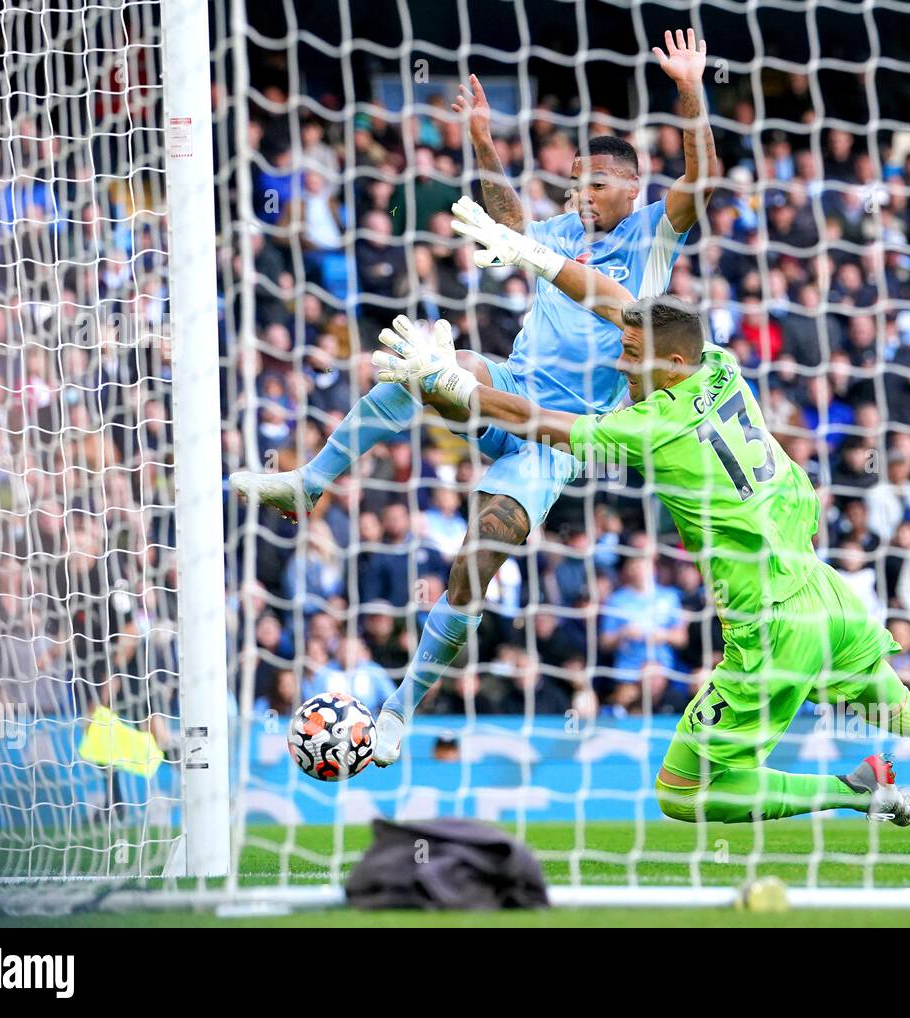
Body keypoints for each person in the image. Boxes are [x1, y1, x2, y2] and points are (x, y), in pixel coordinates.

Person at [373, 201, 910, 851]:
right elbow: (622, 305)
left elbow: (541, 422)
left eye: (634, 359)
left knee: (679, 793)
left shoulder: (651, 426)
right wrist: (532, 254)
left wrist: (457, 386)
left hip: (769, 624)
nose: (621, 365)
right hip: (825, 593)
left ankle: (847, 794)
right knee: (909, 713)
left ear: (673, 362)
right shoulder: (719, 367)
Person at [230, 28, 715, 755]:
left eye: (598, 184)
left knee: (476, 555)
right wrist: (484, 141)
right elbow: (509, 222)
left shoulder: (652, 233)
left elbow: (700, 182)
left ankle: (400, 706)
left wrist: (688, 87)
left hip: (560, 431)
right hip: (511, 384)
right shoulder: (561, 229)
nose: (582, 194)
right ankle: (309, 482)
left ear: (632, 189)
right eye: (575, 182)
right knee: (422, 366)